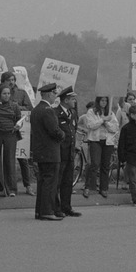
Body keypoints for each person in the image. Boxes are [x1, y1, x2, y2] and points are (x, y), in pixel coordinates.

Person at [30, 83, 65, 220]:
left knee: (43, 182)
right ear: (49, 94)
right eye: (54, 94)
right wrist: (62, 135)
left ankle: (40, 211)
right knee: (50, 183)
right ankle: (47, 211)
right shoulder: (48, 110)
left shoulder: (36, 109)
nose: (55, 97)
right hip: (50, 151)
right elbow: (54, 130)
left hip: (40, 150)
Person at [1, 71, 36, 196]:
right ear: (3, 82)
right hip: (7, 130)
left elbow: (30, 108)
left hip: (22, 129)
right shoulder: (1, 94)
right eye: (8, 80)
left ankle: (27, 186)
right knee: (7, 160)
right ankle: (7, 187)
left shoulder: (21, 93)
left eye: (13, 80)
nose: (11, 82)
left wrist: (16, 107)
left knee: (23, 159)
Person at [82, 96, 120, 199]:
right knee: (94, 163)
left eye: (106, 101)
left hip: (107, 142)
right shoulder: (91, 112)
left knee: (105, 165)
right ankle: (88, 187)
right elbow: (90, 125)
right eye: (102, 101)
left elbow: (115, 127)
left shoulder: (110, 113)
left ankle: (104, 188)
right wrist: (102, 120)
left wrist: (106, 122)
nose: (104, 103)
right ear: (98, 101)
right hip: (95, 140)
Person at [53, 88, 82, 217]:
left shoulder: (73, 113)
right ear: (65, 100)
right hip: (60, 152)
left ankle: (67, 207)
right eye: (72, 99)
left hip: (70, 152)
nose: (74, 101)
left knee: (67, 182)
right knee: (57, 182)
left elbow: (73, 130)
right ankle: (56, 208)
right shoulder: (55, 113)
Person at [0, 84, 21, 197]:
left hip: (10, 135)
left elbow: (19, 119)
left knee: (9, 161)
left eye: (8, 93)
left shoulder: (14, 106)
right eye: (4, 93)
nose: (6, 96)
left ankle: (11, 189)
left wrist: (18, 125)